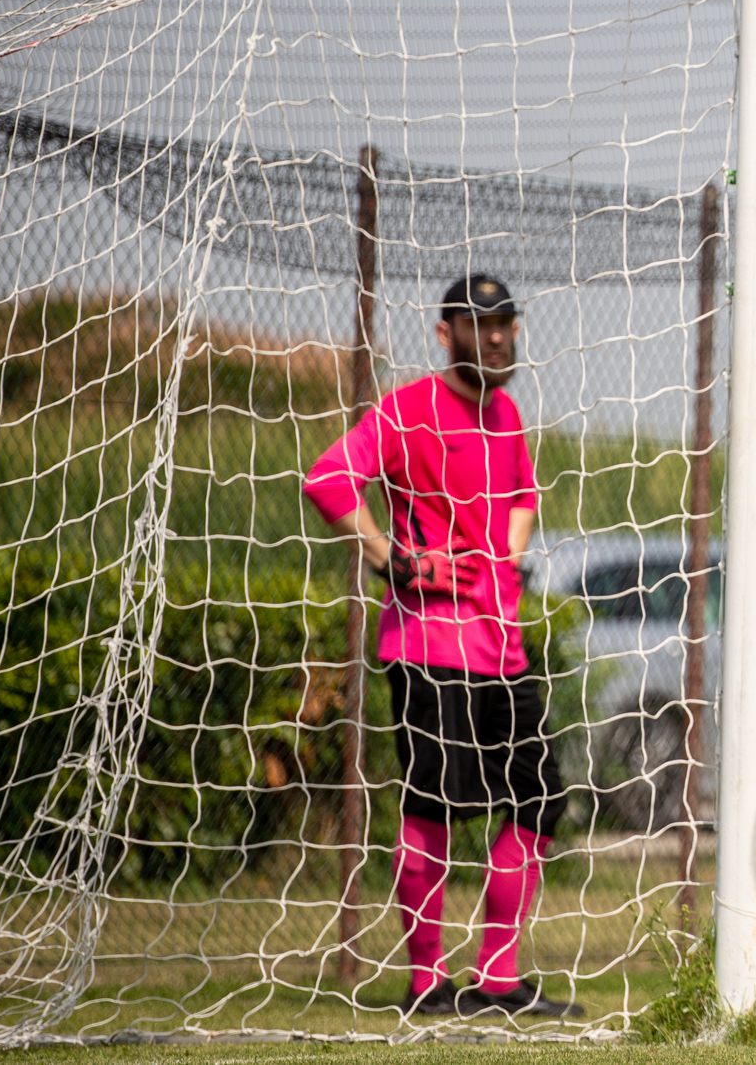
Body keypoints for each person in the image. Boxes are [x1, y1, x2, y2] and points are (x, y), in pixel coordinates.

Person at [304, 274, 581, 1018]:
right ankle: (428, 983)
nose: (497, 337)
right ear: (445, 332)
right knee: (434, 803)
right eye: (480, 324)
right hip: (428, 646)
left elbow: (524, 497)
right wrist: (385, 554)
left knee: (541, 797)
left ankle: (497, 977)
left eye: (506, 324)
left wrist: (508, 556)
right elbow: (328, 478)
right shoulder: (410, 410)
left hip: (502, 647)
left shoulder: (507, 415)